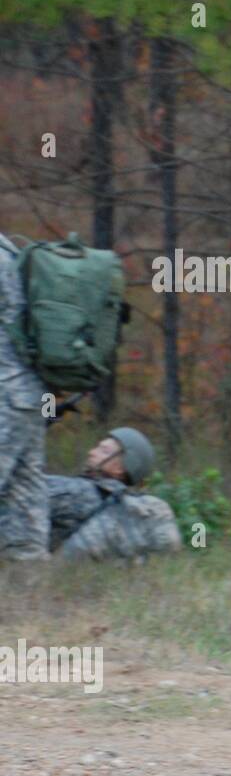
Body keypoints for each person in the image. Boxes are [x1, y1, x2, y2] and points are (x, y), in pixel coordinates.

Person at [46, 427, 181, 561]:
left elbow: (28, 490)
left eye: (103, 451)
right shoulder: (133, 507)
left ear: (119, 469)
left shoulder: (78, 490)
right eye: (97, 448)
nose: (91, 452)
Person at [0, 231, 49, 562]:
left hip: (4, 392)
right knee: (26, 488)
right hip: (30, 393)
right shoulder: (10, 252)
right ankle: (31, 584)